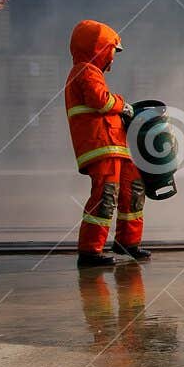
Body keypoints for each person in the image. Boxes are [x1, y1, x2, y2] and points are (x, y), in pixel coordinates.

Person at [65, 19, 150, 268]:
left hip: (115, 146)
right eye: (113, 50)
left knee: (132, 190)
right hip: (101, 146)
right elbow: (100, 101)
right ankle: (90, 252)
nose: (114, 57)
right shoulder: (85, 71)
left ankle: (128, 242)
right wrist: (123, 104)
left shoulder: (92, 72)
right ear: (100, 47)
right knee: (106, 195)